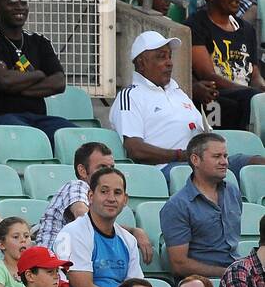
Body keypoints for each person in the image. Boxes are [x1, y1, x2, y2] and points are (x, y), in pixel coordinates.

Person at [111, 31, 265, 177]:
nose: (169, 63)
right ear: (141, 63)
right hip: (171, 168)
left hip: (203, 161)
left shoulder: (178, 92)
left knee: (257, 163)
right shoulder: (130, 96)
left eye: (170, 57)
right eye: (161, 57)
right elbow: (135, 149)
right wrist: (180, 155)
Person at [0, 0, 73, 138]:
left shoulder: (39, 41)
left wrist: (14, 87)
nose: (19, 7)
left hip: (38, 120)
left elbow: (59, 83)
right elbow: (3, 80)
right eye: (11, 3)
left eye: (23, 2)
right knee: (29, 136)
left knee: (75, 137)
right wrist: (38, 75)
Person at [35, 141, 153, 261]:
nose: (109, 173)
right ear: (82, 171)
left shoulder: (99, 195)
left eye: (111, 168)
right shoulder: (77, 186)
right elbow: (83, 216)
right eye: (102, 167)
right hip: (49, 267)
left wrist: (133, 232)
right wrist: (131, 233)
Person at [53, 166, 143, 287]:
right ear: (90, 196)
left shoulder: (128, 240)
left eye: (117, 193)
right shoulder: (74, 232)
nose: (111, 198)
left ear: (125, 200)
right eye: (104, 191)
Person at [160, 131, 243, 279]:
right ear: (195, 160)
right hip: (201, 285)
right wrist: (228, 274)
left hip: (236, 276)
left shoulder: (233, 191)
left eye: (225, 156)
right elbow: (179, 265)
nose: (225, 162)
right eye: (217, 156)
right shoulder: (177, 205)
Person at [190, 0, 265, 129]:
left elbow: (255, 73)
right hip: (216, 96)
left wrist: (261, 87)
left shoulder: (246, 29)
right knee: (250, 98)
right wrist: (251, 93)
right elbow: (207, 75)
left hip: (247, 94)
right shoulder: (196, 25)